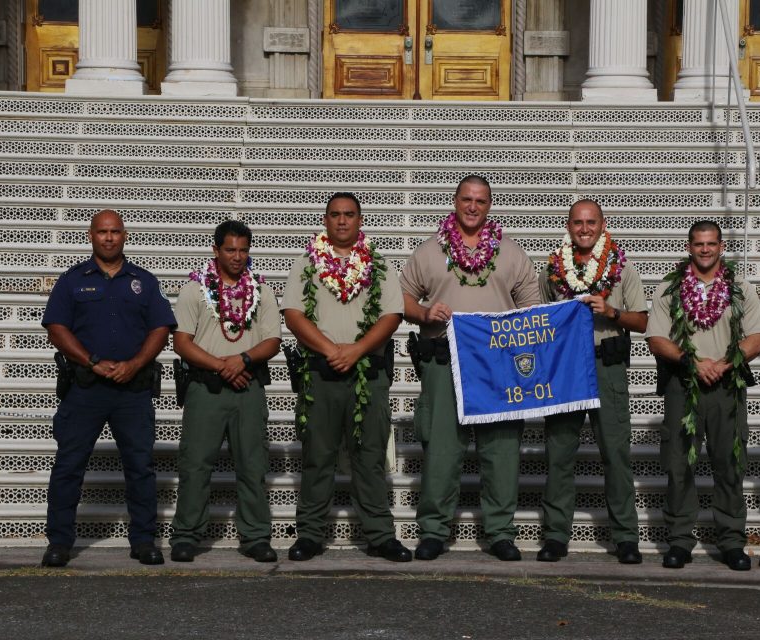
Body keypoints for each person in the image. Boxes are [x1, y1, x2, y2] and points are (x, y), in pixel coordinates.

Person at [401, 175, 540, 561]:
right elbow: (403, 300)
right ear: (455, 201)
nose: (473, 206)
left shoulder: (511, 253)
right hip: (445, 361)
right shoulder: (430, 251)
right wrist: (425, 311)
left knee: (501, 450)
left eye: (480, 200)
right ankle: (433, 530)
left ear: (490, 205)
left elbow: (531, 307)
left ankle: (499, 531)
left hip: (497, 365)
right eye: (467, 199)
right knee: (443, 450)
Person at [41, 209, 175, 567]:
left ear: (125, 235)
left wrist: (133, 365)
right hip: (85, 388)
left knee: (140, 467)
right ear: (91, 235)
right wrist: (91, 362)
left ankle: (144, 540)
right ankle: (59, 542)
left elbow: (161, 327)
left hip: (132, 389)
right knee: (69, 465)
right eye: (102, 232)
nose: (109, 237)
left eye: (115, 231)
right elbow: (56, 327)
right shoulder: (72, 280)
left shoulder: (144, 281)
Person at [282, 193, 411, 562]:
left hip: (366, 375)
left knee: (368, 457)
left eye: (349, 215)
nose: (342, 221)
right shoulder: (306, 263)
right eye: (335, 215)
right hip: (321, 376)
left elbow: (391, 316)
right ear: (325, 220)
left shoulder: (379, 264)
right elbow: (293, 314)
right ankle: (309, 534)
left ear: (360, 219)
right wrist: (329, 349)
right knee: (317, 456)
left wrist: (355, 351)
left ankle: (380, 535)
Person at [645, 220, 760, 571]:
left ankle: (730, 540)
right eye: (698, 244)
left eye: (711, 243)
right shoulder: (670, 290)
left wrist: (726, 363)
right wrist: (692, 362)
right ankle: (680, 540)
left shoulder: (741, 288)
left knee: (729, 463)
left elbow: (758, 335)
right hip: (684, 385)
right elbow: (656, 338)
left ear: (721, 247)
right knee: (679, 463)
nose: (705, 249)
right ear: (689, 247)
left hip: (727, 386)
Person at [537, 199, 648, 564]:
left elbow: (644, 321)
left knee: (615, 454)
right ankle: (555, 535)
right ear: (568, 226)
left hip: (607, 365)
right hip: (566, 369)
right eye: (577, 222)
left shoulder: (622, 267)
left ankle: (626, 537)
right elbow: (539, 320)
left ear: (603, 224)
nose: (584, 229)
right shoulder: (552, 270)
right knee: (560, 453)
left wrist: (612, 311)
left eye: (591, 222)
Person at [169, 220, 282, 563]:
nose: (237, 257)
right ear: (215, 250)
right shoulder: (195, 290)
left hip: (247, 386)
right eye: (230, 250)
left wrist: (242, 360)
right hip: (207, 387)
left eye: (243, 250)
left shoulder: (261, 290)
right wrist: (222, 365)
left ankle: (256, 536)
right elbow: (181, 343)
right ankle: (187, 535)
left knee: (252, 463)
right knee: (195, 464)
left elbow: (272, 341)